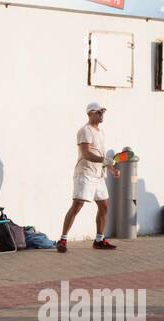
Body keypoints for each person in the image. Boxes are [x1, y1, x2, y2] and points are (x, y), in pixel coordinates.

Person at [58, 103, 120, 253]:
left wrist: (111, 169)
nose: (101, 115)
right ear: (90, 114)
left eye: (102, 112)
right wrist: (104, 161)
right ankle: (63, 239)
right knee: (77, 205)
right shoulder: (84, 131)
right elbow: (86, 154)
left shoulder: (100, 132)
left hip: (98, 176)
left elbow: (101, 155)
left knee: (104, 206)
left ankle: (99, 240)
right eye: (98, 112)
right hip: (84, 174)